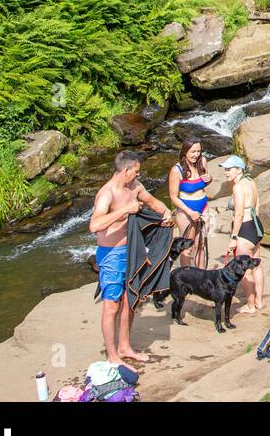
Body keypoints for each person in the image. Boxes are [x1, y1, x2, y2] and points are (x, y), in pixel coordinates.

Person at [89, 150, 170, 365]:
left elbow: (153, 203)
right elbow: (94, 225)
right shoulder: (106, 193)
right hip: (111, 254)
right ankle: (113, 356)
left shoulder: (135, 187)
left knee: (130, 300)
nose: (138, 175)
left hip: (133, 251)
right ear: (125, 171)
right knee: (111, 305)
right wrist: (124, 210)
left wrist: (167, 214)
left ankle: (125, 347)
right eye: (136, 171)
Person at [221, 154, 264, 314]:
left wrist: (233, 237)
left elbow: (238, 214)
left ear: (239, 170)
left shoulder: (238, 187)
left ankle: (251, 305)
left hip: (244, 229)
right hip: (255, 225)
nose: (226, 172)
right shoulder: (250, 182)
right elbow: (257, 204)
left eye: (229, 169)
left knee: (245, 270)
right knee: (256, 265)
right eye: (225, 169)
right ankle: (259, 301)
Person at [168, 136, 211, 269]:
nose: (196, 155)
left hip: (204, 207)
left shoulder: (202, 161)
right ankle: (187, 278)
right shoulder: (177, 170)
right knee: (187, 247)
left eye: (198, 151)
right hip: (186, 211)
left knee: (202, 245)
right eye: (193, 152)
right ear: (185, 151)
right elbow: (173, 197)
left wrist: (210, 178)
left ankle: (200, 276)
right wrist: (190, 212)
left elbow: (205, 182)